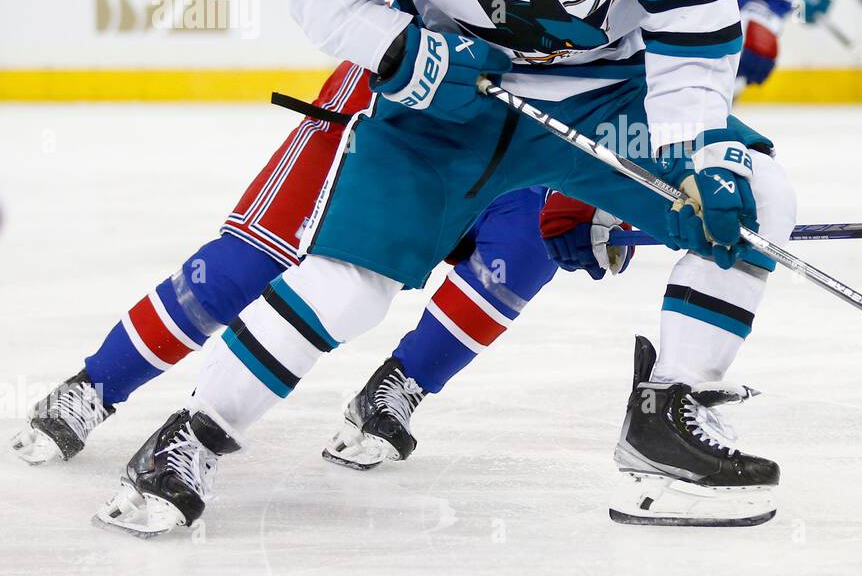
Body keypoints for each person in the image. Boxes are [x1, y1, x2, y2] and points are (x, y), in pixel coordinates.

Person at [92, 0, 798, 536]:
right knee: (352, 287)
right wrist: (408, 54)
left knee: (756, 200)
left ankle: (668, 410)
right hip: (451, 104)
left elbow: (699, 36)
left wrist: (700, 151)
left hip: (604, 101)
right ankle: (190, 437)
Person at [10, 59, 626, 467]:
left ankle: (398, 387)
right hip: (395, 105)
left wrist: (595, 202)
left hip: (526, 136)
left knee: (523, 250)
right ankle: (93, 386)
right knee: (245, 268)